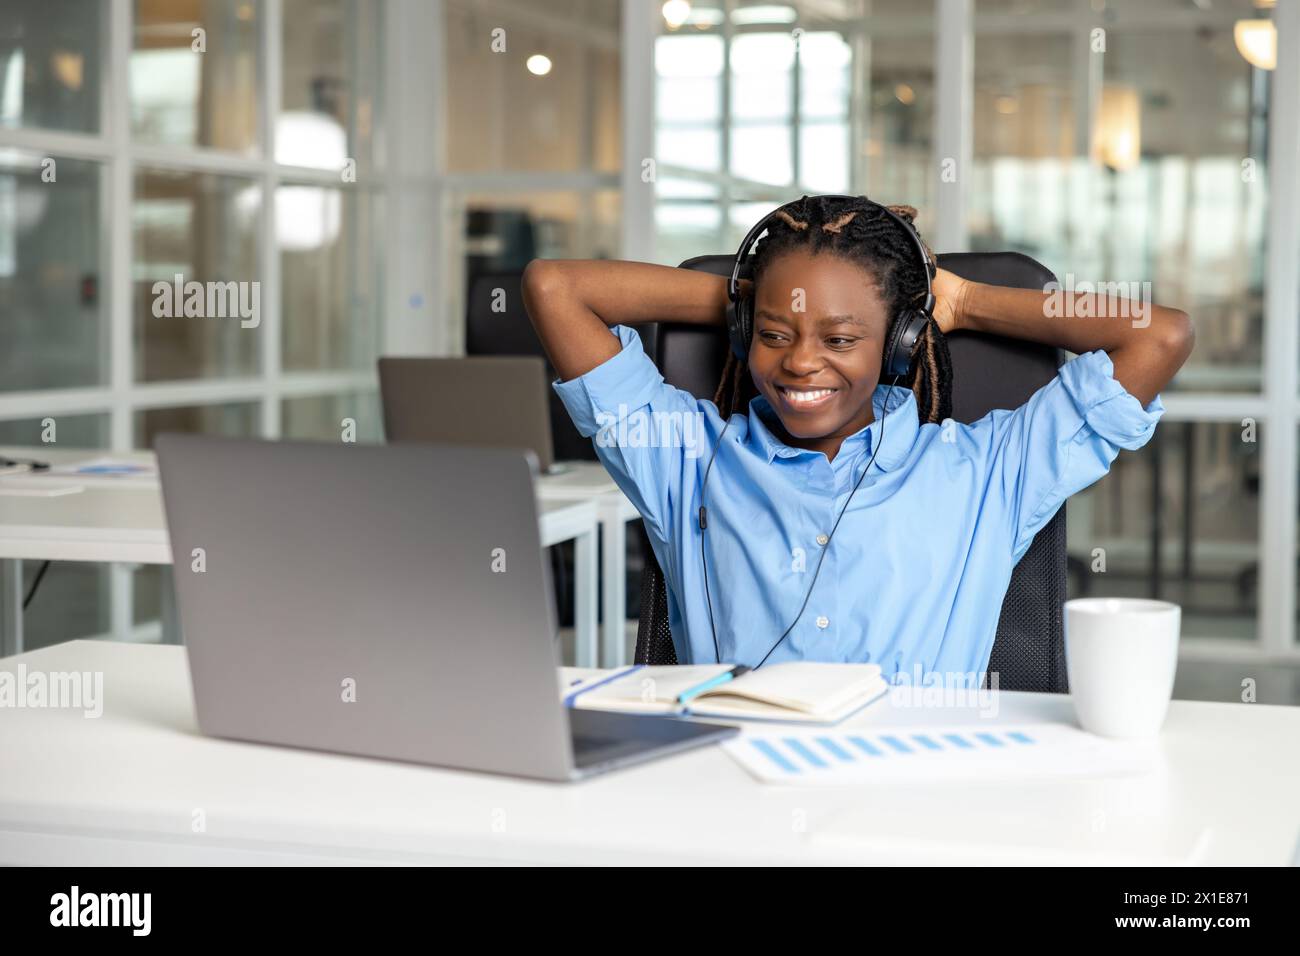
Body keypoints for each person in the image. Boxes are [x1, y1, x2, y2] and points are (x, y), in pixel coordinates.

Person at [522, 194, 1193, 680]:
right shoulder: (686, 459)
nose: (800, 363)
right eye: (773, 335)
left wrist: (959, 304)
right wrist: (747, 299)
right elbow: (555, 287)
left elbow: (1159, 335)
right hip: (734, 803)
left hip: (912, 805)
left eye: (840, 338)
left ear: (899, 344)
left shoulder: (988, 471)